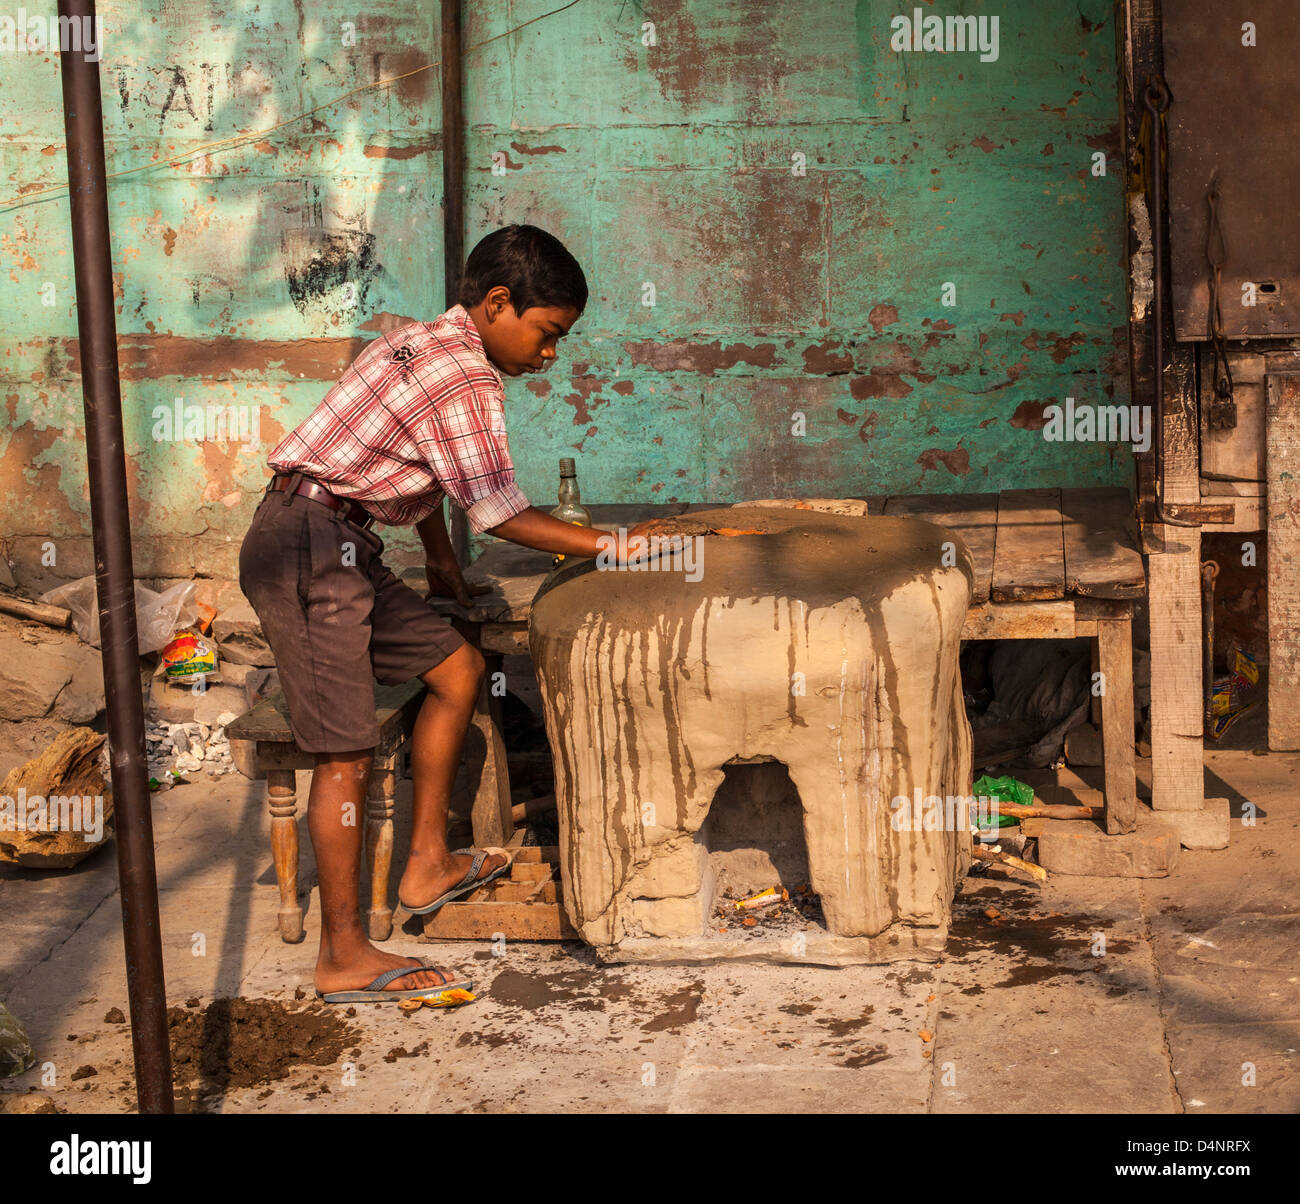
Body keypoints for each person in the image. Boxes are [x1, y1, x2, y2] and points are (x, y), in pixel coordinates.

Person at [239, 225, 656, 1001]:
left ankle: (425, 863)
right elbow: (498, 512)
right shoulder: (465, 376)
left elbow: (420, 468)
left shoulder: (421, 342)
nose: (550, 354)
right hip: (306, 544)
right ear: (499, 304)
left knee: (457, 667)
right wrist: (610, 546)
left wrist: (436, 557)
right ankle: (343, 954)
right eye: (547, 333)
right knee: (344, 752)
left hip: (341, 539)